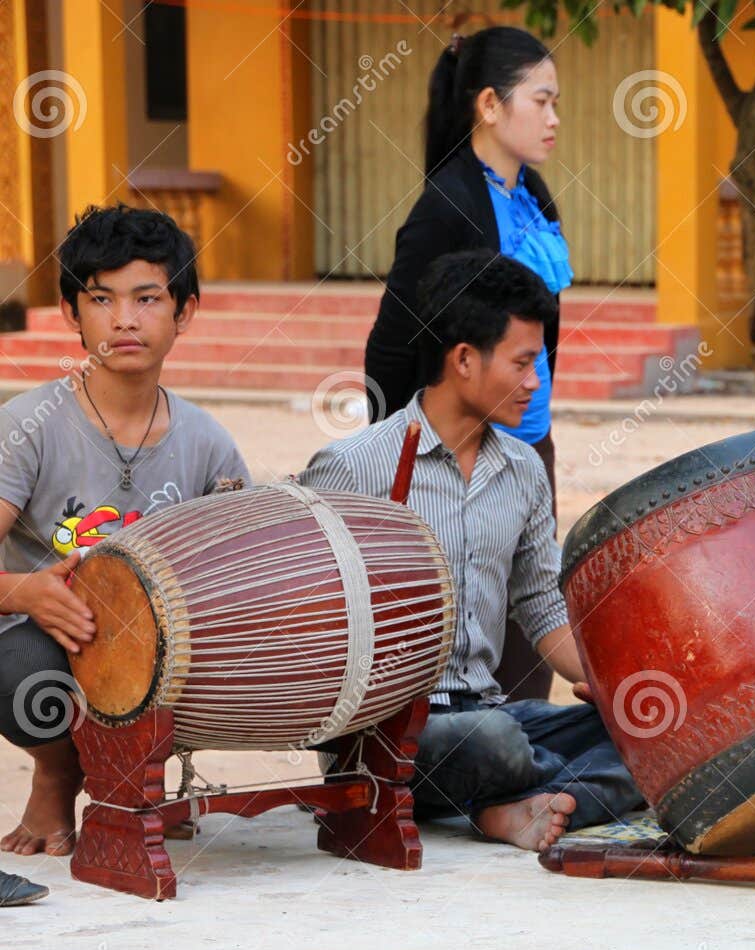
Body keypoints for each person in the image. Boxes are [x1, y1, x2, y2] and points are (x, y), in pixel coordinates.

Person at [302, 252, 642, 852]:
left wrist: (616, 689)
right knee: (496, 744)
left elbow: (541, 604)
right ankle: (507, 801)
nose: (535, 381)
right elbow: (312, 614)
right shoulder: (354, 467)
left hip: (489, 708)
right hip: (385, 729)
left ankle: (512, 807)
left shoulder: (524, 472)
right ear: (463, 359)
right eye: (523, 362)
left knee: (648, 731)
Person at [0, 206, 249, 856]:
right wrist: (23, 591)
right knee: (12, 662)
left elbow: (239, 579)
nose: (125, 320)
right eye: (101, 299)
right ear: (69, 313)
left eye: (147, 298)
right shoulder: (29, 425)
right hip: (52, 645)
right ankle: (58, 770)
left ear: (184, 312)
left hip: (162, 652)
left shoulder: (209, 444)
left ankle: (143, 782)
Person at [364, 26, 570, 700]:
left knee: (531, 620)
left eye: (556, 103)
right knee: (455, 619)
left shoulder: (533, 196)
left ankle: (521, 764)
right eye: (540, 101)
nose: (553, 119)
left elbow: (543, 328)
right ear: (489, 104)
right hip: (458, 451)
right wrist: (406, 452)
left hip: (527, 443)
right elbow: (391, 344)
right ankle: (452, 770)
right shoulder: (444, 208)